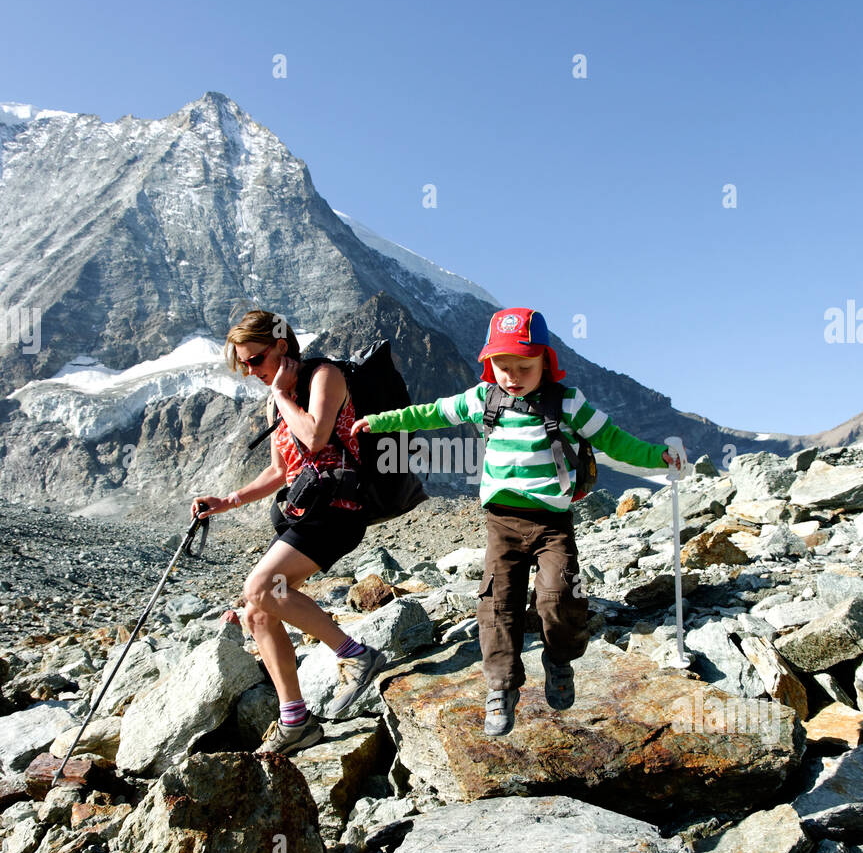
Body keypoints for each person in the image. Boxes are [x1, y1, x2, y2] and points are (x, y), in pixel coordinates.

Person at [353, 306, 684, 737]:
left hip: (552, 523)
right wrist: (380, 421)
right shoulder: (482, 398)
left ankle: (559, 659)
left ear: (546, 360)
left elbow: (613, 440)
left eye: (524, 366)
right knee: (497, 604)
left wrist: (657, 456)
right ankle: (501, 687)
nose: (511, 375)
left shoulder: (568, 403)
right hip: (501, 522)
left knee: (558, 596)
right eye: (501, 365)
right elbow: (430, 414)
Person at [191, 310, 386, 755]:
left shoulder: (324, 376)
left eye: (256, 359)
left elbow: (316, 437)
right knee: (258, 612)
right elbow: (282, 469)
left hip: (339, 510)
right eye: (245, 365)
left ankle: (357, 656)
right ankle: (296, 720)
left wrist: (281, 395)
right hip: (307, 512)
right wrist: (227, 501)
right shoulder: (279, 396)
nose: (253, 371)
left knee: (260, 587)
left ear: (282, 345)